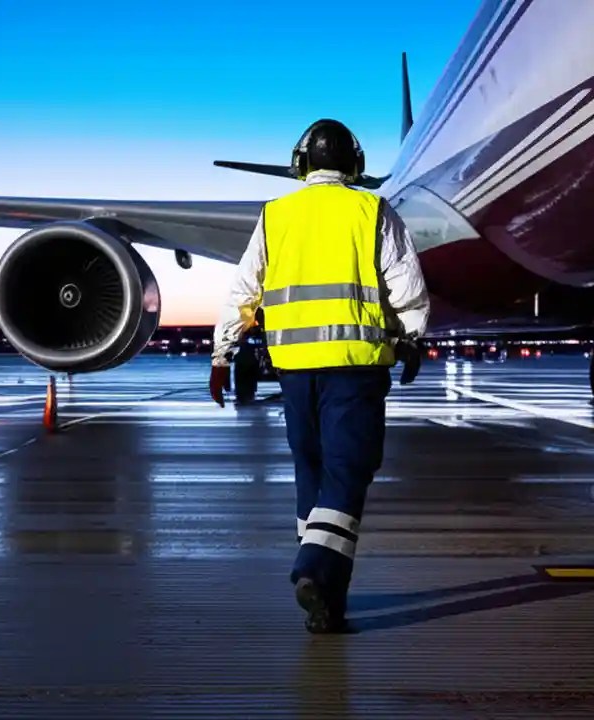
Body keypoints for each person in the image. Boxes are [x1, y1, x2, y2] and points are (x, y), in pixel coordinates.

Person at [209, 118, 430, 633]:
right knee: (347, 474)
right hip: (353, 369)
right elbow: (405, 284)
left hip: (294, 372)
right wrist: (413, 337)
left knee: (311, 474)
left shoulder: (276, 214)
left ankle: (329, 603)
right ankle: (312, 569)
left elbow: (244, 290)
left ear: (300, 163)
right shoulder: (371, 209)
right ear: (355, 164)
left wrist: (223, 356)